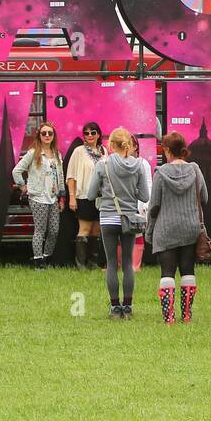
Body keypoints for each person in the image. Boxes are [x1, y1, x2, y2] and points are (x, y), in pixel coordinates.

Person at [85, 127, 151, 319]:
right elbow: (145, 195)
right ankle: (128, 307)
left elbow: (90, 194)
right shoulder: (138, 165)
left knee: (112, 263)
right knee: (128, 264)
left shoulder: (102, 165)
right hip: (129, 218)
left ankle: (115, 308)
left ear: (111, 145)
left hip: (108, 218)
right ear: (129, 145)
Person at [144, 133, 208, 324]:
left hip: (166, 229)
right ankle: (187, 315)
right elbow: (204, 198)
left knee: (167, 271)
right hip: (191, 227)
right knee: (188, 269)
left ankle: (168, 316)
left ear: (166, 150)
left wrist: (149, 233)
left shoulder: (161, 173)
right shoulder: (195, 169)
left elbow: (154, 206)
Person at [12, 123, 64, 269]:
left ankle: (47, 257)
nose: (47, 136)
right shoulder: (33, 153)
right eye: (44, 133)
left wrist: (62, 196)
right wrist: (23, 187)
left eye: (50, 133)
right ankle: (38, 260)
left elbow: (60, 175)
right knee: (40, 229)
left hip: (53, 197)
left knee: (54, 230)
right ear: (39, 136)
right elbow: (16, 171)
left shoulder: (57, 154)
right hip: (38, 196)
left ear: (54, 136)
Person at [65, 122, 106, 270]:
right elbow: (71, 176)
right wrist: (72, 197)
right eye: (86, 133)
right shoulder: (79, 151)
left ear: (98, 134)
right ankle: (80, 264)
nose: (89, 135)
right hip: (83, 196)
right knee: (84, 229)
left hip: (101, 198)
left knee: (96, 230)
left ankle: (93, 263)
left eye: (93, 132)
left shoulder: (104, 151)